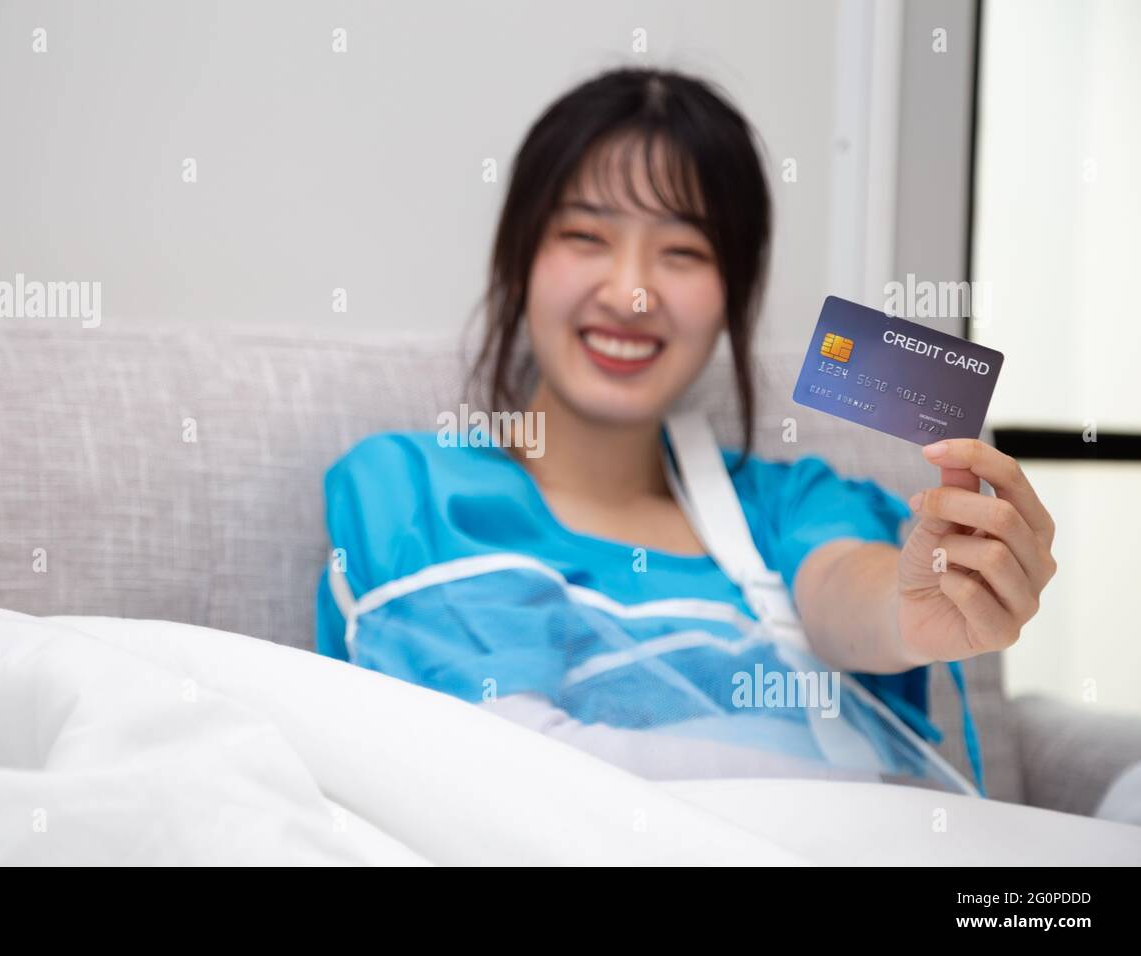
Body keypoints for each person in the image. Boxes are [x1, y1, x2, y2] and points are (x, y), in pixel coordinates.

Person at [314, 67, 1057, 795]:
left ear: (732, 294)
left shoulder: (789, 502)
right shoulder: (415, 492)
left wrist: (913, 610)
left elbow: (848, 589)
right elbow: (512, 775)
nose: (631, 293)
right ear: (519, 261)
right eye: (585, 236)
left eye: (683, 252)